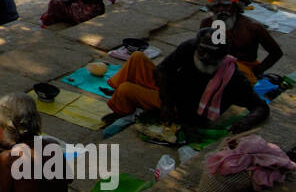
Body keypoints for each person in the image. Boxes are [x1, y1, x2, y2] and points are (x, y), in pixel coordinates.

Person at [102, 28, 268, 133]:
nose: (206, 57)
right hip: (169, 93)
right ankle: (118, 97)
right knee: (137, 57)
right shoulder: (189, 47)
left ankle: (121, 109)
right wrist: (165, 100)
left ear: (223, 55)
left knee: (126, 89)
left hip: (182, 108)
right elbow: (162, 70)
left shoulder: (232, 77)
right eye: (202, 51)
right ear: (197, 47)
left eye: (212, 54)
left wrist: (246, 122)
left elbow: (260, 106)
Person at [199, 0, 283, 83]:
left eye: (226, 5)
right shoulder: (207, 23)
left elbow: (276, 53)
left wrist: (255, 71)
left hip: (243, 72)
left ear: (235, 5)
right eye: (216, 6)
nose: (221, 10)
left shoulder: (252, 27)